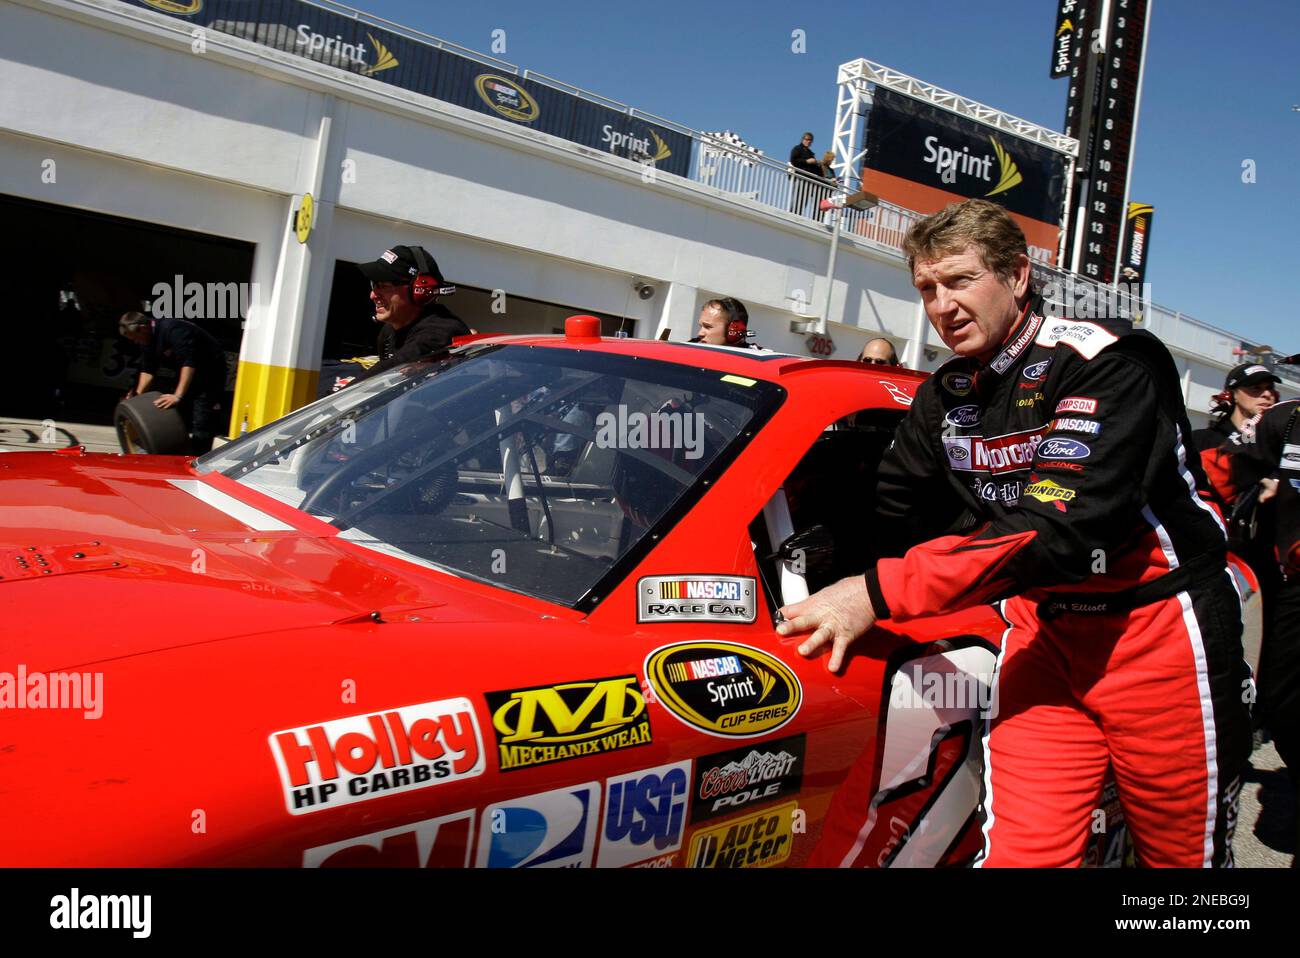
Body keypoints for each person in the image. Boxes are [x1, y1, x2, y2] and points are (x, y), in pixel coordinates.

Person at [778, 198, 1251, 867]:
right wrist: (811, 573)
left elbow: (1061, 527)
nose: (943, 305)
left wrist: (877, 592)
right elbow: (888, 509)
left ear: (1017, 276)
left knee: (1181, 867)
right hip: (1044, 633)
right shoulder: (947, 394)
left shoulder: (1106, 362)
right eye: (927, 289)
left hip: (1157, 635)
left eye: (961, 280)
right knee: (1023, 858)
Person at [1235, 398, 1300, 856]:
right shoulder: (1286, 417)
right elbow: (1225, 464)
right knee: (1281, 699)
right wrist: (1260, 485)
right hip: (1294, 581)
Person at [352, 245, 468, 383]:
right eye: (374, 285)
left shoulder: (440, 332)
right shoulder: (388, 332)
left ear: (420, 290)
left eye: (383, 286)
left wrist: (334, 400)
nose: (373, 295)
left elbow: (390, 369)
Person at [120, 311, 228, 454]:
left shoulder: (173, 330)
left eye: (135, 338)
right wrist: (137, 396)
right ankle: (177, 454)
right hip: (186, 371)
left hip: (210, 372)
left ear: (143, 328)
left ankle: (198, 458)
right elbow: (148, 370)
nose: (136, 342)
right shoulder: (146, 339)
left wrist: (177, 395)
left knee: (202, 419)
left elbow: (188, 363)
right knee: (177, 415)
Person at [1192, 363, 1281, 506]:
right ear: (1233, 394)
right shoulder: (1201, 440)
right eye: (1256, 388)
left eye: (1270, 388)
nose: (1267, 394)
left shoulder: (1281, 450)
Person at [788, 133, 824, 217]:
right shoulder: (797, 149)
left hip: (810, 180)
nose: (808, 141)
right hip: (801, 177)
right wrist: (807, 161)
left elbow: (815, 168)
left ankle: (798, 216)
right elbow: (794, 161)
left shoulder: (810, 153)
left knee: (805, 200)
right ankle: (793, 216)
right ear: (802, 139)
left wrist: (818, 165)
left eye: (810, 140)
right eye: (807, 139)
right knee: (798, 199)